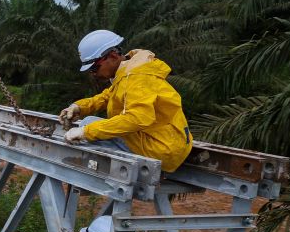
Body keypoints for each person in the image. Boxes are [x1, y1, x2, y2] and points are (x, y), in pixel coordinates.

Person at [59, 30, 193, 172]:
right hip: (170, 142)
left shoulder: (137, 77)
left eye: (94, 68)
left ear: (113, 56)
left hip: (161, 150)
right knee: (89, 124)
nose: (93, 74)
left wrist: (85, 132)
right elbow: (108, 96)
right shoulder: (128, 71)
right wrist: (78, 107)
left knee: (88, 127)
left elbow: (137, 118)